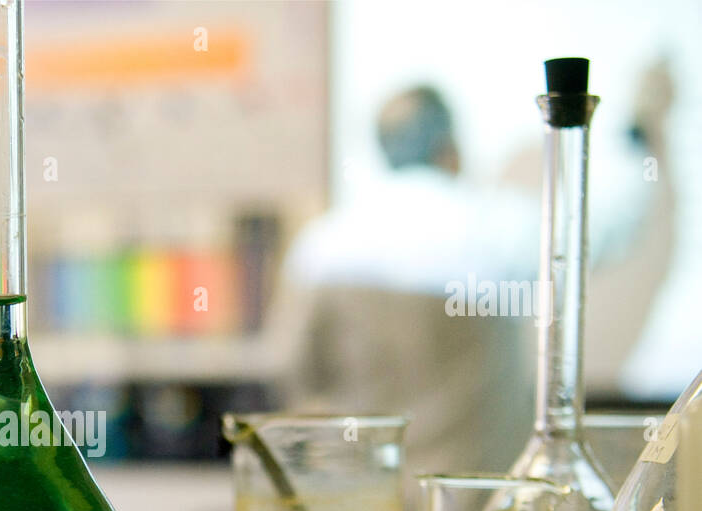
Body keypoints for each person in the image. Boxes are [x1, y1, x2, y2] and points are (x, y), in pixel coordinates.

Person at [265, 77, 673, 478]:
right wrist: (640, 135)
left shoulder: (322, 246)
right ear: (451, 149)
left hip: (365, 500)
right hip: (470, 503)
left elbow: (288, 370)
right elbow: (607, 228)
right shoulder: (497, 230)